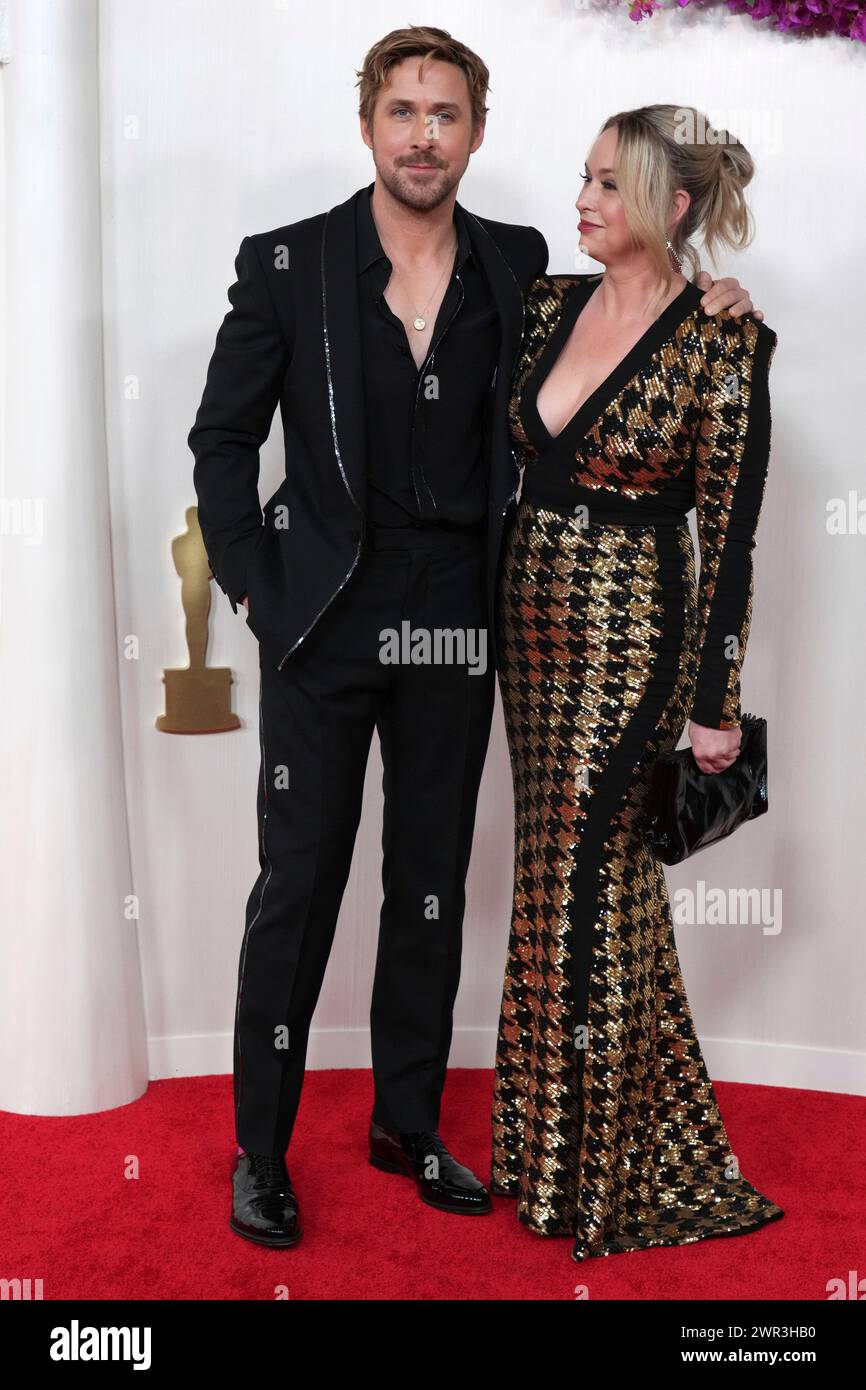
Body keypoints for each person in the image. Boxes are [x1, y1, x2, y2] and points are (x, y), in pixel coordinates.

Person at [187, 27, 758, 1249]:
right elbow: (220, 444)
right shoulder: (286, 263)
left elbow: (633, 316)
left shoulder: (519, 269)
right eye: (401, 110)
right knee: (299, 883)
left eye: (444, 114)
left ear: (475, 133)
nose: (421, 135)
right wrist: (251, 590)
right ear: (367, 124)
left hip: (458, 617)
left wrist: (713, 290)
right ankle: (260, 1151)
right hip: (320, 624)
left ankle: (405, 1121)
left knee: (431, 881)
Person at [490, 105, 785, 1261]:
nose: (583, 202)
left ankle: (601, 1176)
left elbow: (731, 529)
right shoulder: (545, 305)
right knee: (549, 875)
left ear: (670, 205)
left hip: (637, 641)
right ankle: (547, 1145)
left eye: (610, 186)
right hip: (529, 632)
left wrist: (715, 700)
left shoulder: (722, 341)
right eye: (582, 180)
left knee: (590, 888)